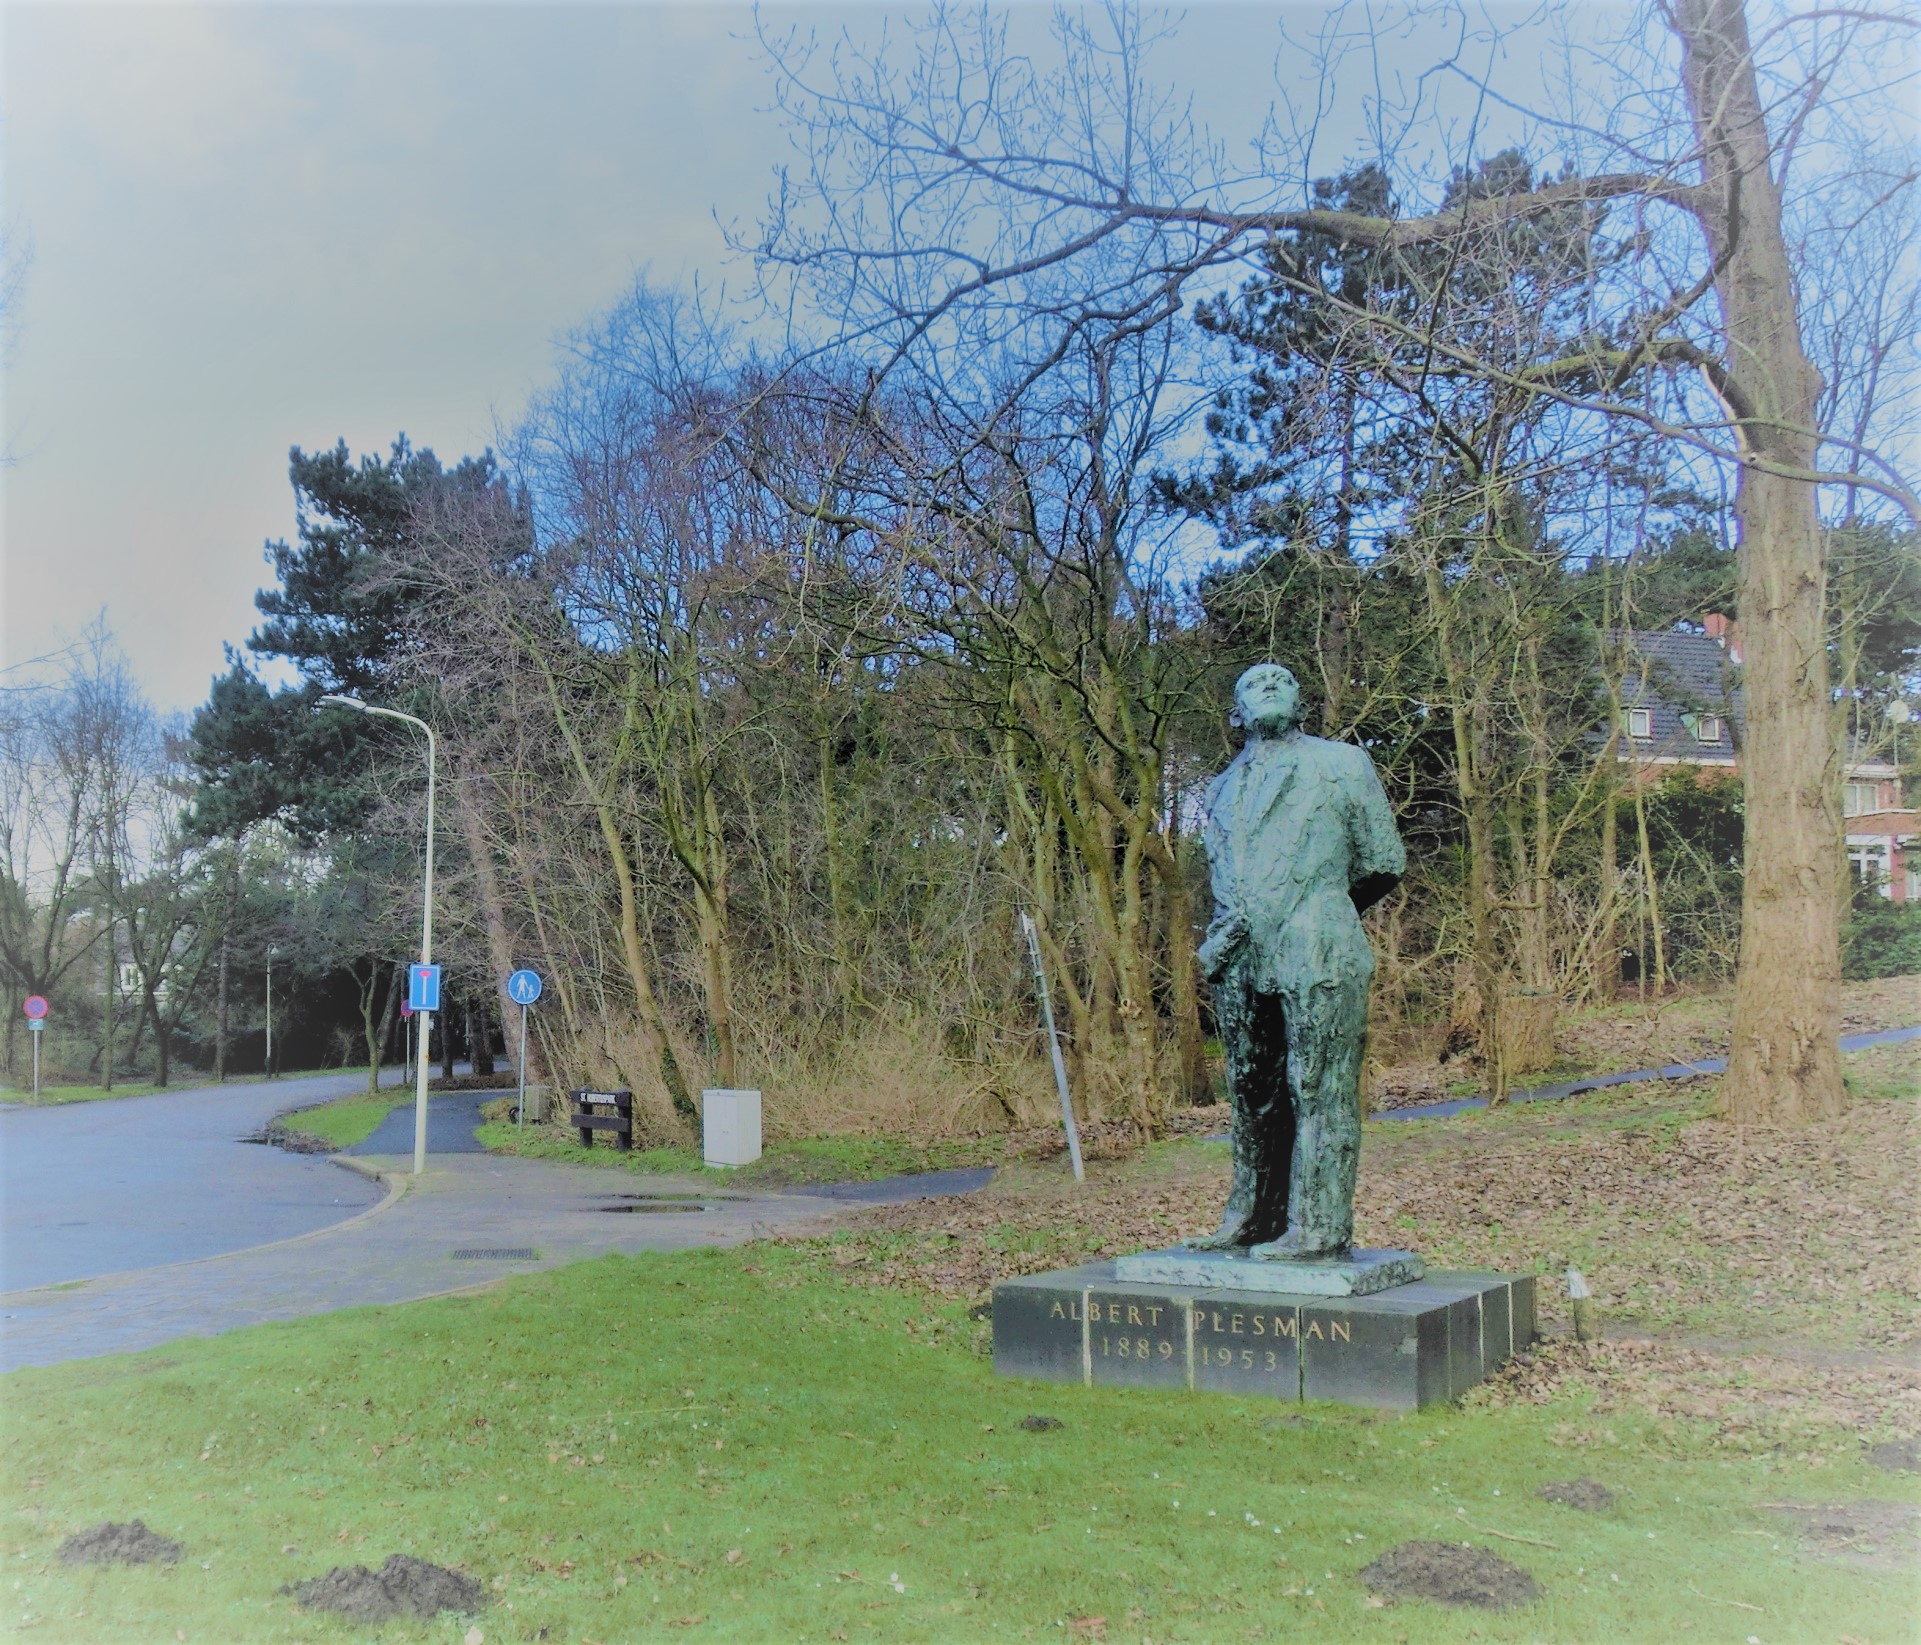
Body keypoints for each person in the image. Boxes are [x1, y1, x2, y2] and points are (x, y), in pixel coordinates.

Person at [1191, 663, 1405, 1260]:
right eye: (1252, 683)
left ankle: (1319, 1224)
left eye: (1280, 680)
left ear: (1300, 702)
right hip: (1238, 954)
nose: (1266, 685)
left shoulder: (1341, 764)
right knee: (1250, 1090)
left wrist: (1321, 907)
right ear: (1235, 713)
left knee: (1317, 1086)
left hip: (1318, 943)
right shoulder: (1220, 789)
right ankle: (1253, 1216)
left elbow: (1383, 860)